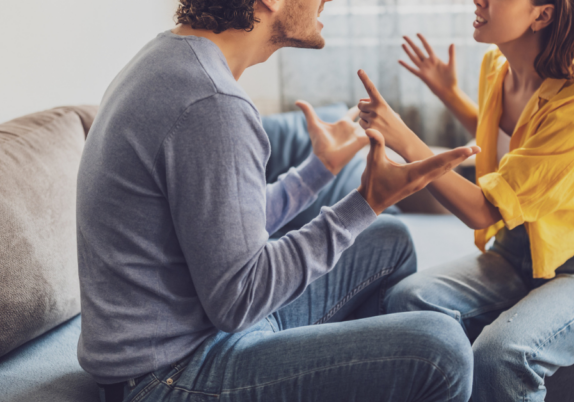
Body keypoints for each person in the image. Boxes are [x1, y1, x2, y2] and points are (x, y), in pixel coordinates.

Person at [75, 0, 481, 401]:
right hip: (170, 375)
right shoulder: (213, 103)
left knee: (387, 240)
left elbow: (223, 226)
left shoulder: (173, 59)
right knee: (440, 350)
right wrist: (366, 202)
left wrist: (318, 170)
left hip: (194, 335)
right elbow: (240, 299)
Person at [355, 0, 574, 400]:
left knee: (499, 356)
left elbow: (483, 209)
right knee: (408, 299)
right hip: (513, 252)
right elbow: (512, 143)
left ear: (541, 15)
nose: (478, 0)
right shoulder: (497, 67)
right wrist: (450, 93)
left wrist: (405, 140)